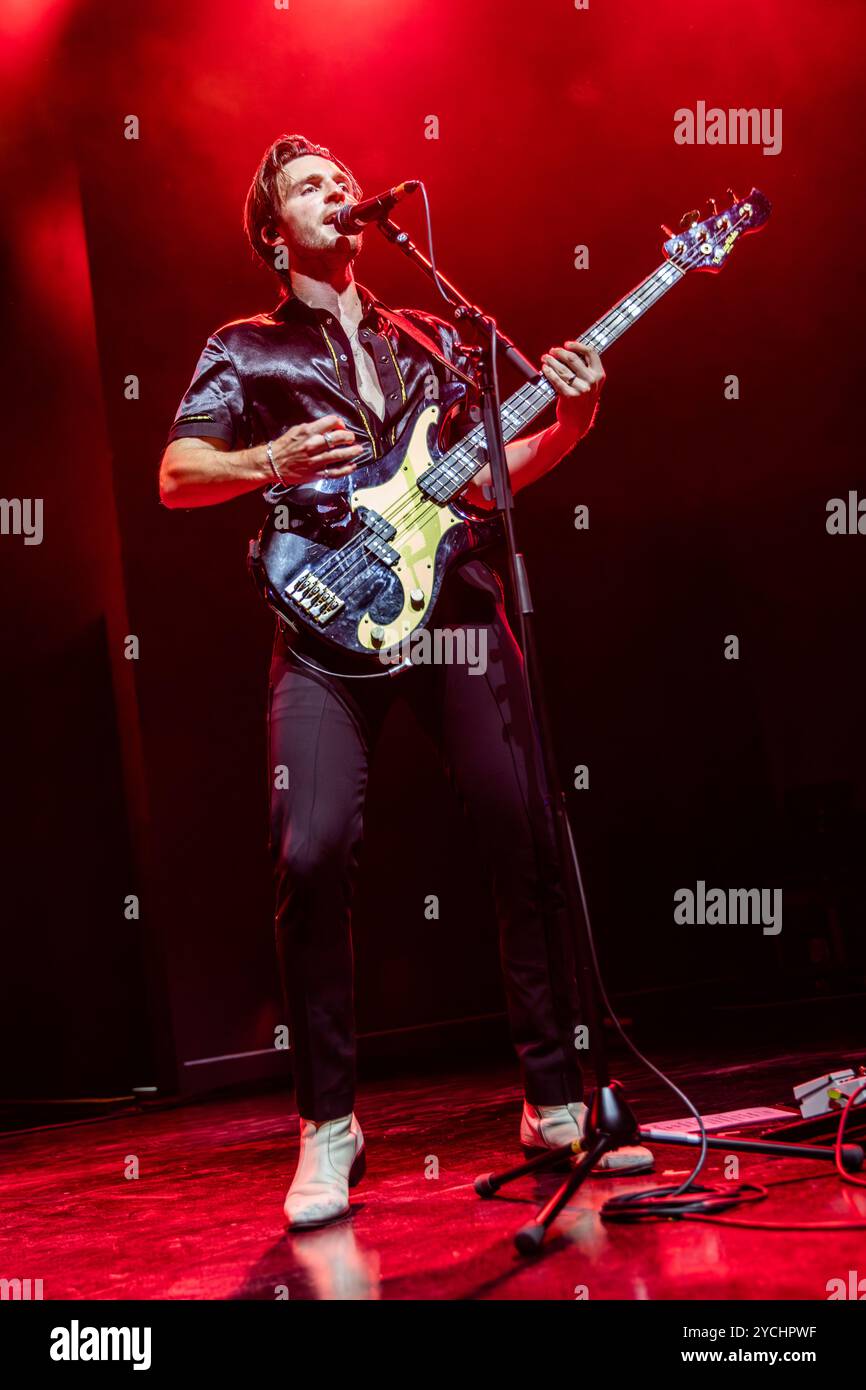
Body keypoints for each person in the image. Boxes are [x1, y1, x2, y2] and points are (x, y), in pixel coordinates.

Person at [159, 134, 653, 1230]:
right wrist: (267, 463)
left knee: (523, 828)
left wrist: (572, 417)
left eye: (341, 176)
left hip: (457, 604)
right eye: (306, 184)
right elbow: (176, 475)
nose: (335, 188)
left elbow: (489, 475)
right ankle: (327, 1124)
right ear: (269, 232)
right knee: (312, 847)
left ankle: (555, 1100)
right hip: (326, 625)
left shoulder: (432, 334)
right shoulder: (242, 348)